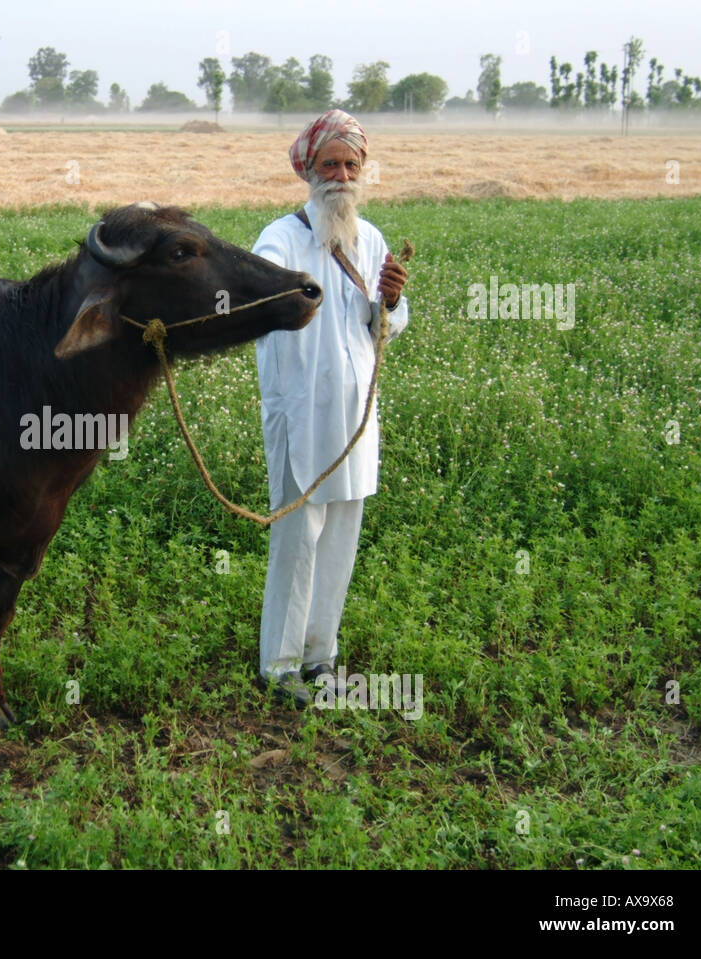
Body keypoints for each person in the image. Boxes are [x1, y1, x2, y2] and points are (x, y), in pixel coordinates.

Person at [253, 109, 409, 705]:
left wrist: (389, 300)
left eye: (351, 164)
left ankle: (321, 657)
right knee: (298, 541)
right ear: (309, 171)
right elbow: (260, 306)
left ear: (363, 170)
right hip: (300, 413)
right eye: (331, 164)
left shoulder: (370, 240)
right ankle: (280, 665)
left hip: (355, 419)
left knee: (341, 536)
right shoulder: (281, 239)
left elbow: (383, 325)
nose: (342, 174)